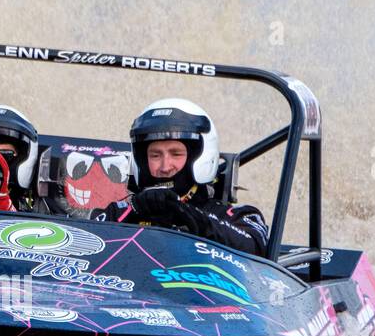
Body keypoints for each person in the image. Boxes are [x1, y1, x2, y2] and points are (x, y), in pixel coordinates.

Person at [89, 98, 269, 256]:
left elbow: (255, 248)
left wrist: (183, 212)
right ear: (142, 161)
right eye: (155, 155)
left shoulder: (235, 215)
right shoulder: (119, 211)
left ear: (198, 157)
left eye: (176, 154)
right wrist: (135, 209)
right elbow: (85, 241)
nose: (165, 166)